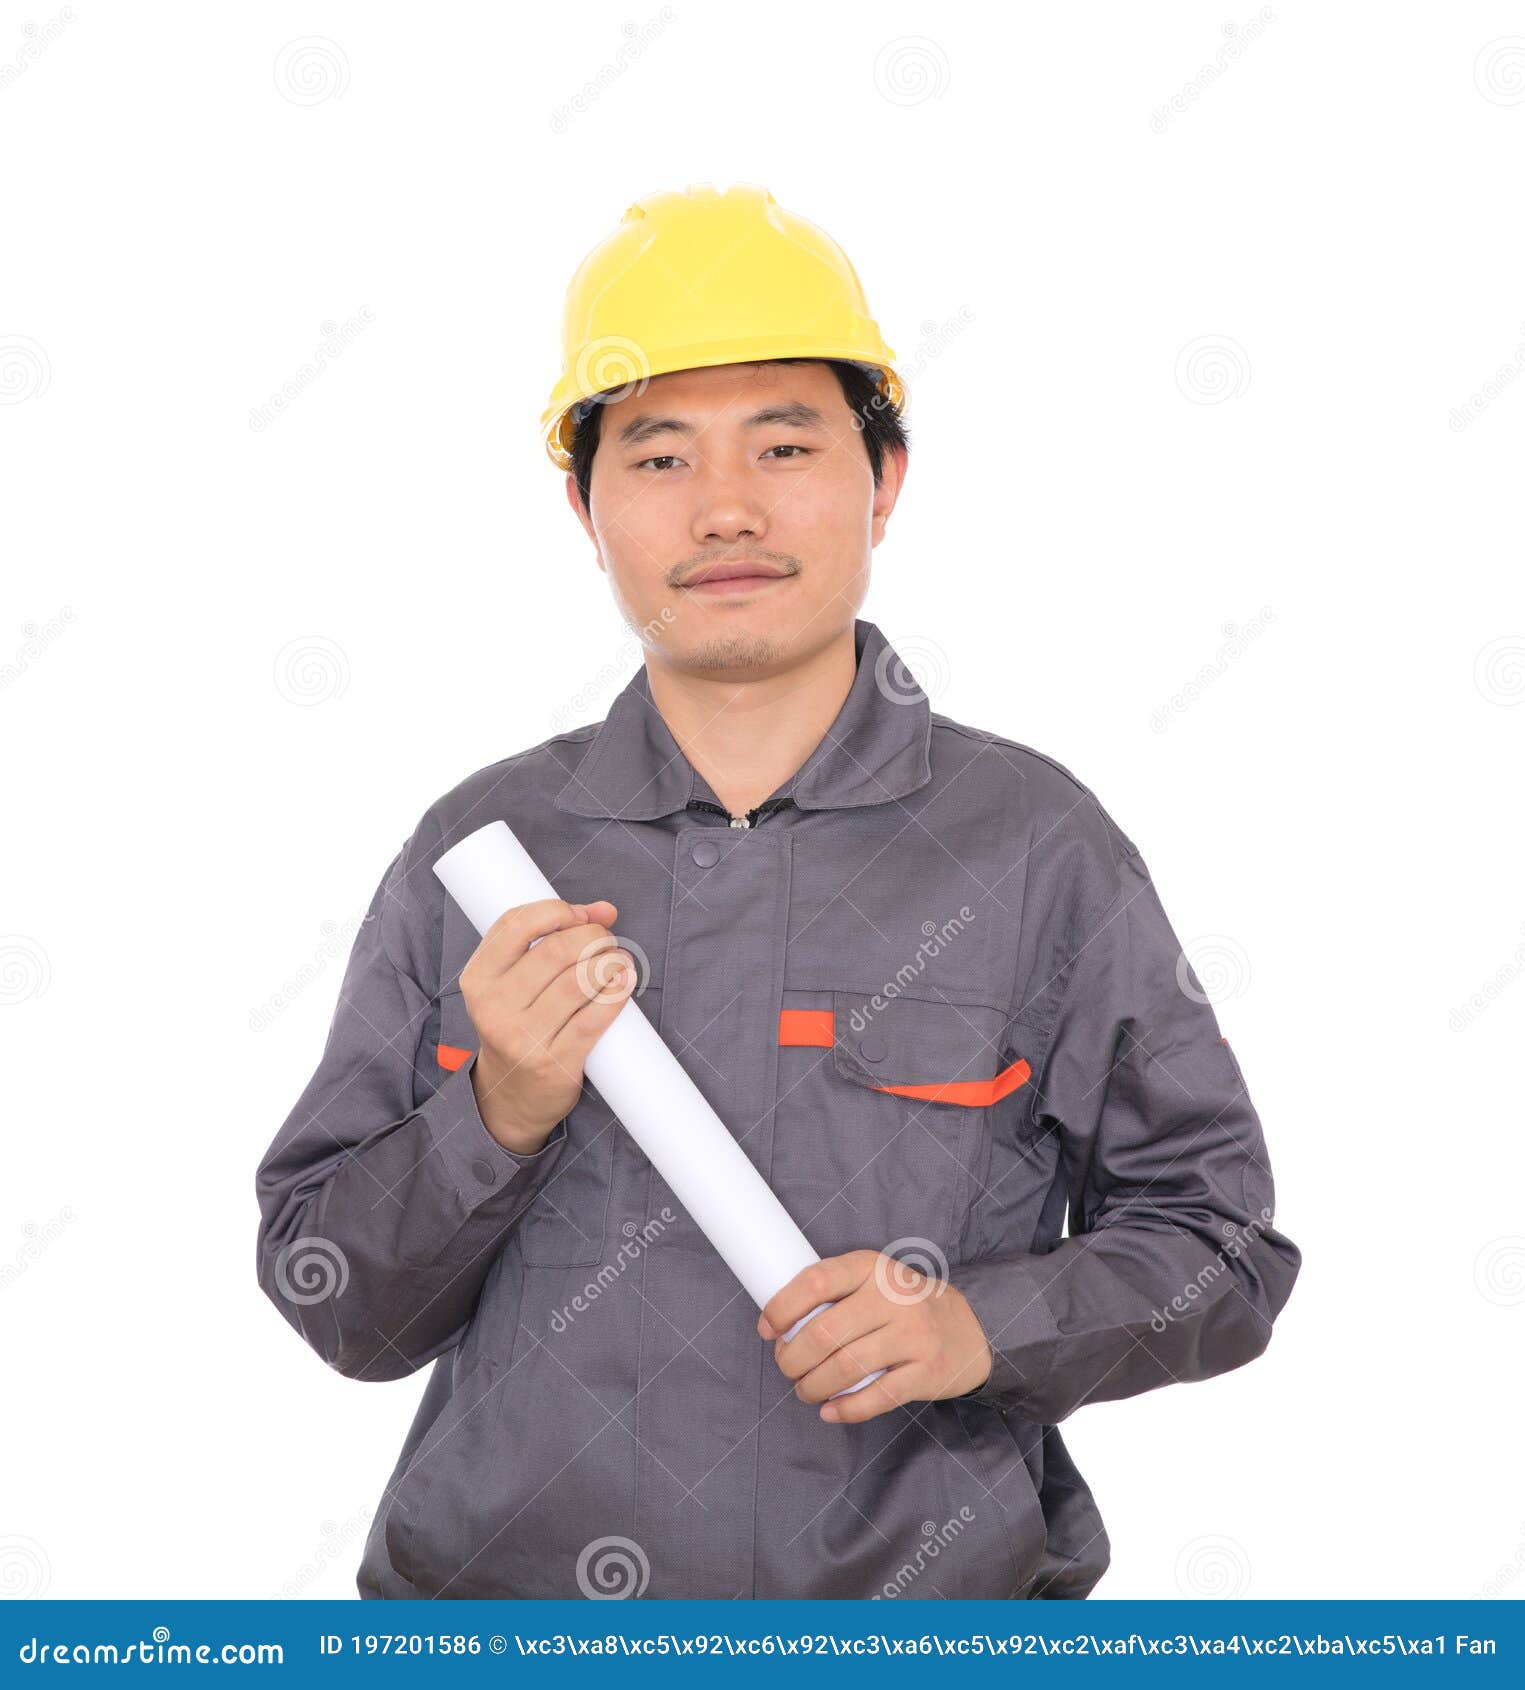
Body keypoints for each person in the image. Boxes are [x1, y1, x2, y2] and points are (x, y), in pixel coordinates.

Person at [254, 182, 1300, 1600]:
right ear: (585, 505)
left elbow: (1221, 1249)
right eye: (660, 456)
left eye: (786, 443)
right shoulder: (487, 848)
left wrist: (976, 1326)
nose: (727, 507)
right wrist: (495, 1111)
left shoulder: (1032, 843)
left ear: (885, 477)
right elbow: (343, 1309)